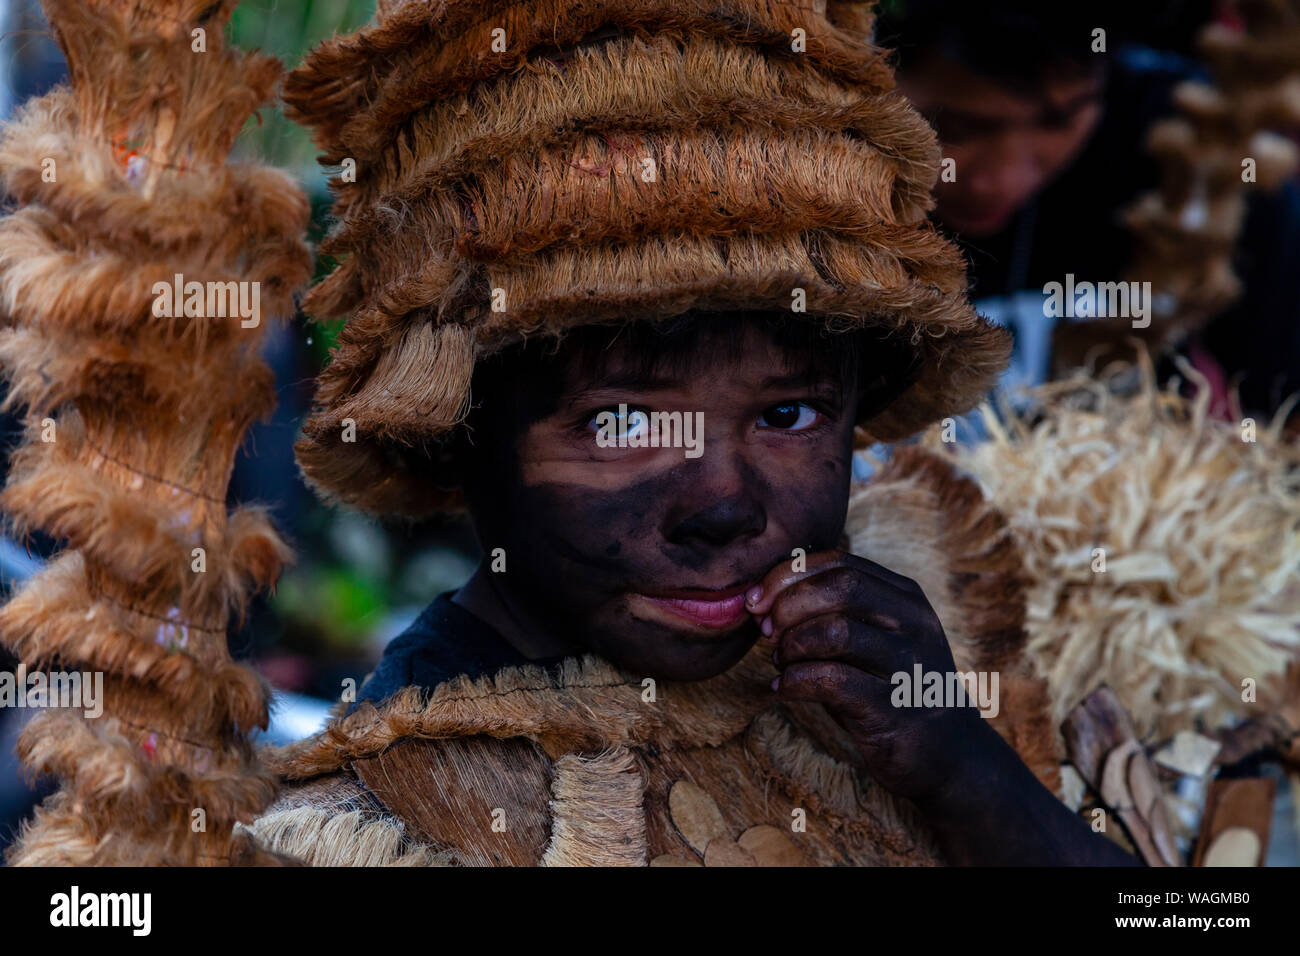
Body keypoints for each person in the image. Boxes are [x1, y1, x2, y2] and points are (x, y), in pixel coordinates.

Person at [250, 0, 1136, 867]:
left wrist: (964, 770)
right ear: (453, 434)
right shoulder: (398, 809)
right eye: (622, 422)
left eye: (788, 415)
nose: (724, 504)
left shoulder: (890, 687)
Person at [879, 0, 1300, 415]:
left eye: (1058, 121)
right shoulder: (827, 171)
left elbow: (1281, 407)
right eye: (955, 128)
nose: (1005, 178)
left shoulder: (1195, 160)